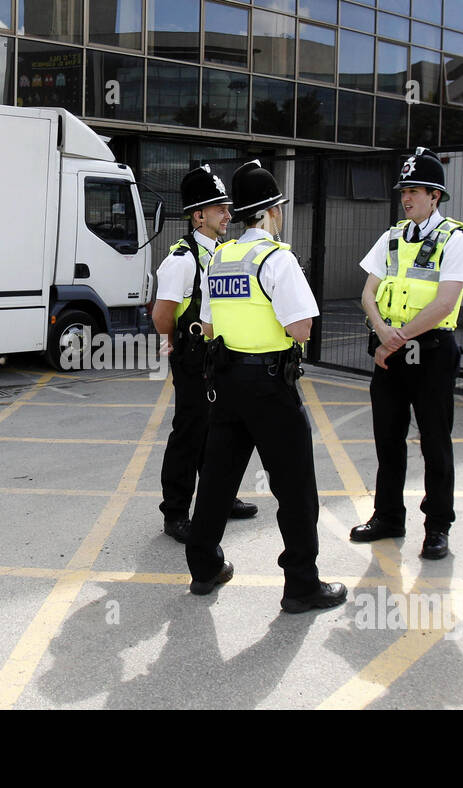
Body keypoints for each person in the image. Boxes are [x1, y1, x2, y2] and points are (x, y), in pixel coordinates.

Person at [184, 159, 347, 614]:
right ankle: (301, 586)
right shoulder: (277, 258)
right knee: (295, 488)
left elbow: (208, 326)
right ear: (272, 211)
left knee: (217, 479)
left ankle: (204, 568)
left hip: (228, 381)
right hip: (271, 385)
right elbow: (301, 328)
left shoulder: (220, 257)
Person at [351, 147, 463, 560]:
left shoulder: (456, 240)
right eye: (404, 190)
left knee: (435, 442)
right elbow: (368, 292)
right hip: (390, 350)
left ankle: (438, 526)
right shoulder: (390, 238)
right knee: (388, 439)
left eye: (415, 191)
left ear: (435, 196)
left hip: (432, 351)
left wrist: (397, 336)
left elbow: (445, 303)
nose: (406, 198)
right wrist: (382, 331)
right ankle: (388, 516)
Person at [153, 165, 257, 544]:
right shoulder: (181, 260)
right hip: (194, 356)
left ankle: (219, 499)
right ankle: (176, 513)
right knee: (190, 433)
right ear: (199, 215)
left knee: (220, 433)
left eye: (228, 209)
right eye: (221, 209)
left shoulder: (226, 254)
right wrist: (178, 348)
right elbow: (162, 315)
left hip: (221, 356)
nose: (229, 216)